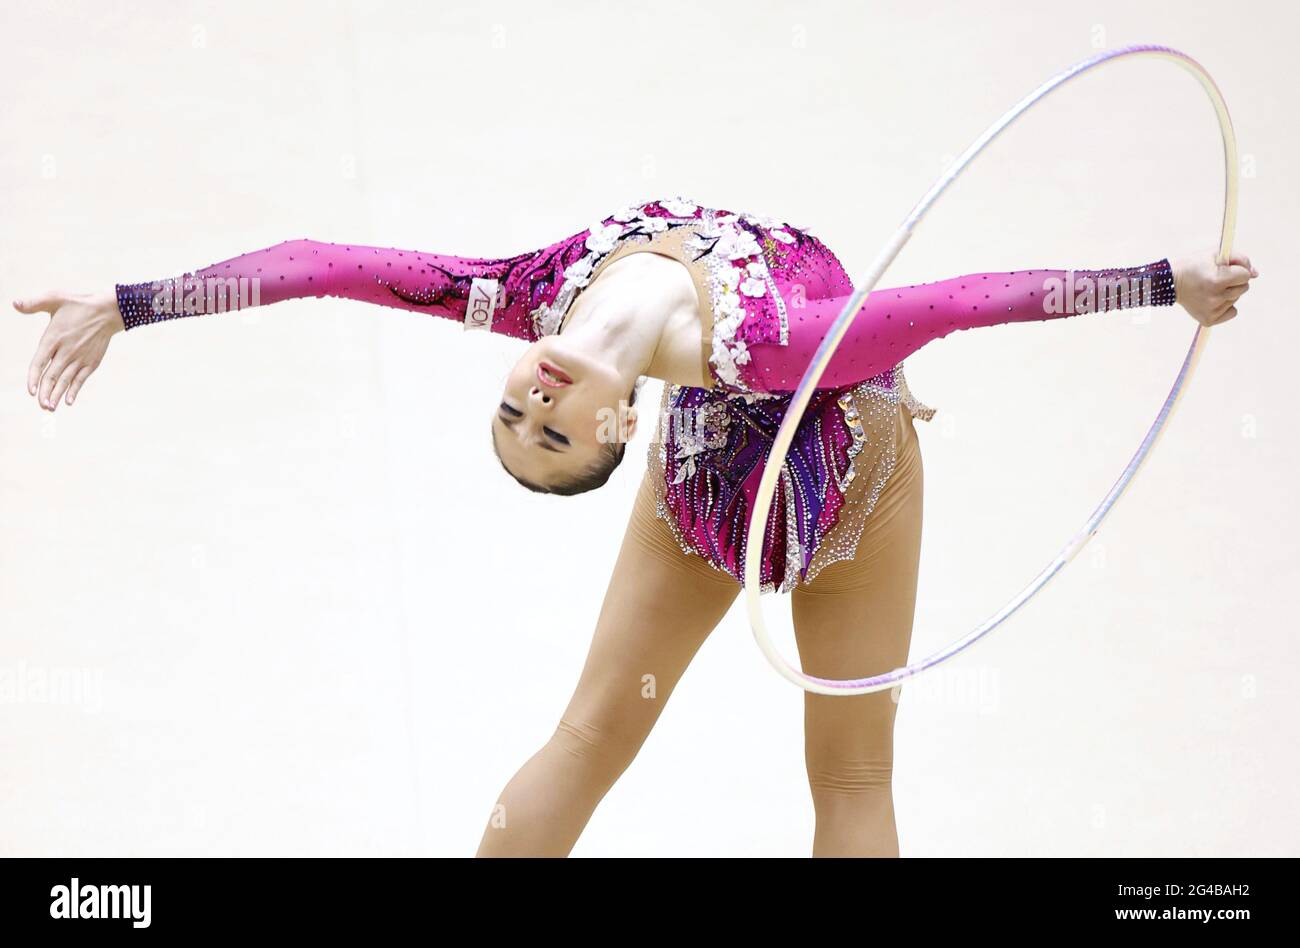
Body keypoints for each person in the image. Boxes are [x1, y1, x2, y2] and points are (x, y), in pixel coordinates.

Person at [14, 196, 1257, 855]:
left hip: (739, 474)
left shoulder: (520, 297)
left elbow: (321, 262)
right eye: (552, 436)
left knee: (722, 751)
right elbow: (970, 302)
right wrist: (1162, 284)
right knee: (822, 767)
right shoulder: (774, 345)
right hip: (822, 474)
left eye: (515, 418)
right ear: (618, 431)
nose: (535, 404)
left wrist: (135, 304)